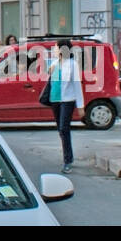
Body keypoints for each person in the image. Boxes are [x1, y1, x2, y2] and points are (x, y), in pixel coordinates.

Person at [47, 39, 85, 174]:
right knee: (60, 130)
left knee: (64, 128)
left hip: (67, 100)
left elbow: (77, 85)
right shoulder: (55, 63)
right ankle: (68, 155)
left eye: (56, 47)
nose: (54, 49)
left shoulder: (72, 64)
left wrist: (80, 105)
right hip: (55, 100)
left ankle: (67, 160)